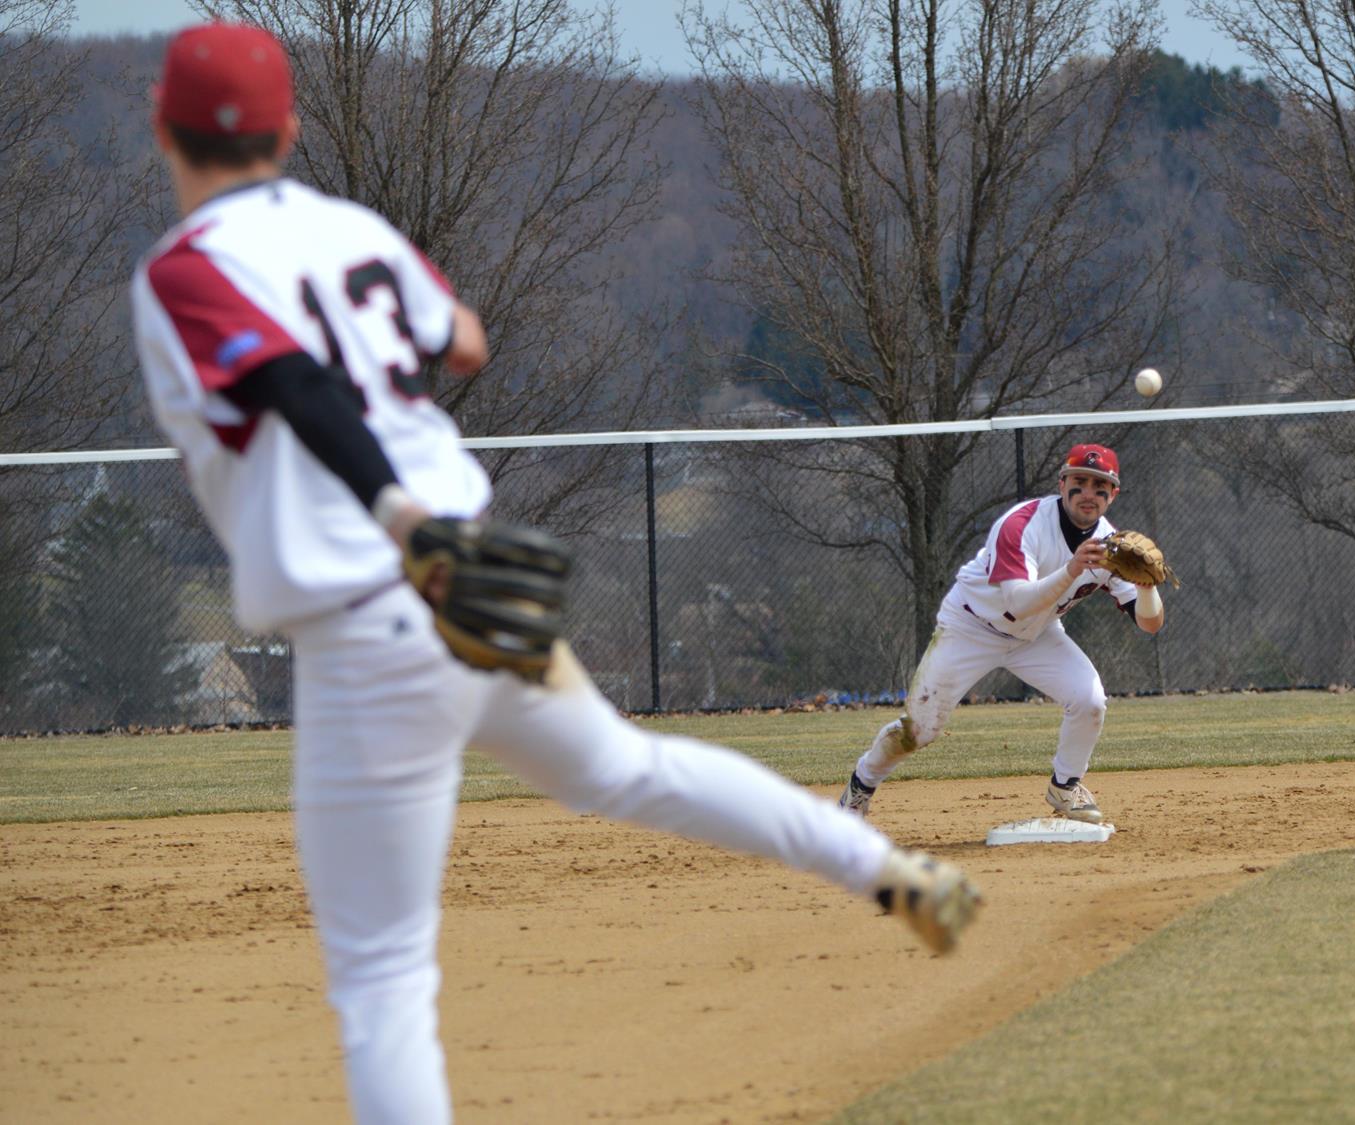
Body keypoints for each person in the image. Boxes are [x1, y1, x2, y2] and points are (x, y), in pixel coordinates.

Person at [130, 24, 977, 1124]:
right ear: (289, 130)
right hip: (478, 579)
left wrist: (395, 517)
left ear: (163, 128)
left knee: (382, 980)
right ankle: (876, 866)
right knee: (625, 767)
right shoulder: (349, 229)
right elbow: (464, 339)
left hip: (374, 607)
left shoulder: (183, 271)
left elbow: (292, 382)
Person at [837, 443, 1166, 823]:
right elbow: (1018, 602)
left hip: (1036, 635)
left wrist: (1146, 586)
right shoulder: (1022, 523)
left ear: (1114, 494)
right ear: (1062, 484)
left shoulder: (1113, 547)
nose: (1089, 492)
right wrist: (1073, 570)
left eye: (1100, 485)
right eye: (1080, 481)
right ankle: (860, 787)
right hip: (971, 627)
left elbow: (1150, 624)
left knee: (1089, 700)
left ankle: (1066, 787)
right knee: (919, 731)